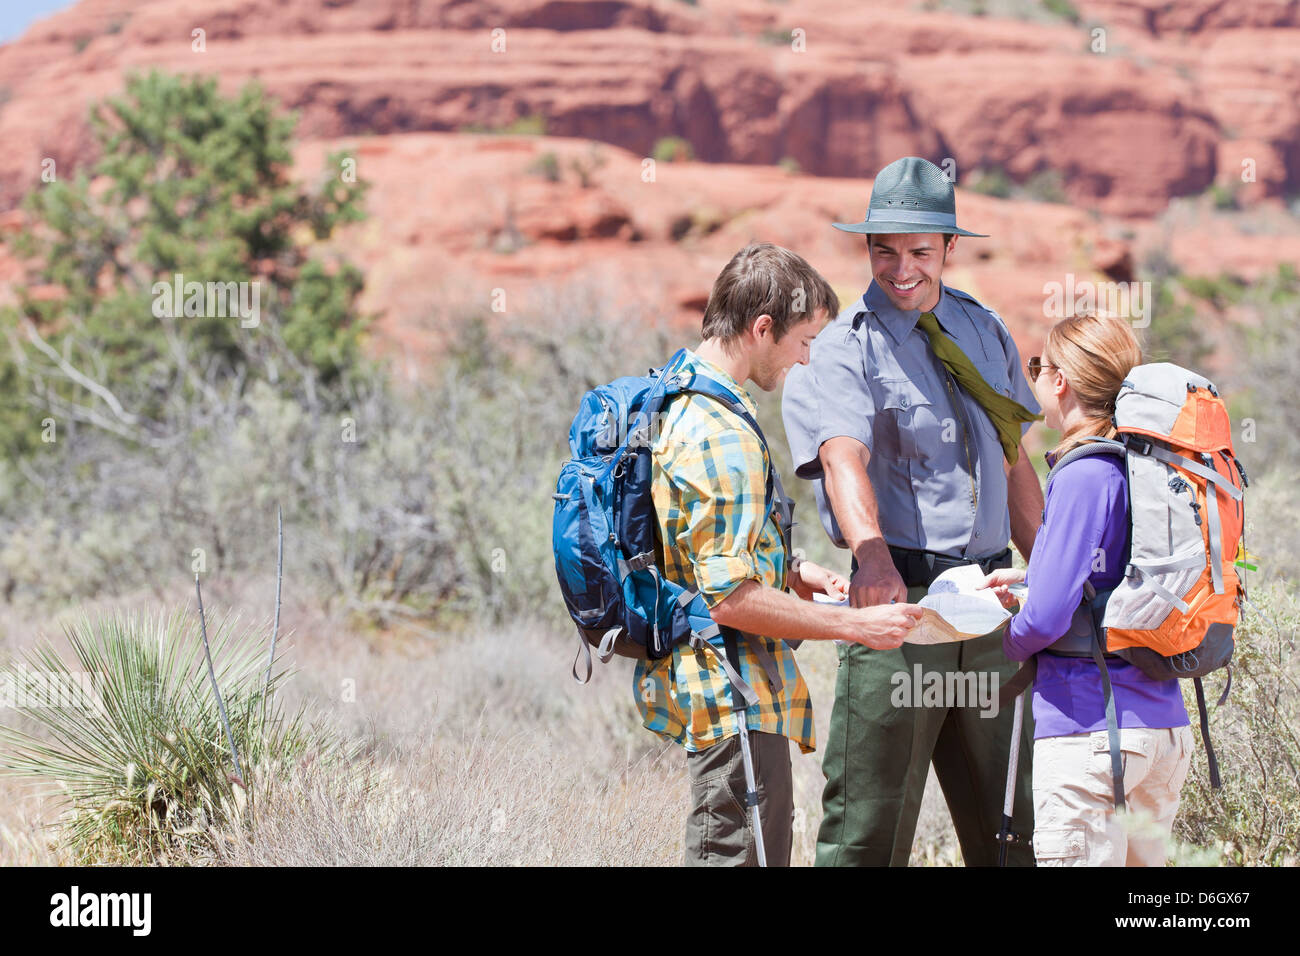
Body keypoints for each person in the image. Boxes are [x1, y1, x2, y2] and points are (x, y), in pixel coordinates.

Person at [781, 156, 1045, 866]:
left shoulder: (985, 332)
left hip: (993, 609)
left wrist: (1051, 572)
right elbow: (842, 454)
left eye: (919, 252)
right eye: (884, 250)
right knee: (866, 831)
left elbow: (1014, 458)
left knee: (1016, 832)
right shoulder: (844, 346)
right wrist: (871, 554)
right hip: (901, 607)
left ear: (949, 250)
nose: (900, 269)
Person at [638, 241, 925, 867]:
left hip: (725, 696)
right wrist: (856, 625)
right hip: (734, 699)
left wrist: (794, 575)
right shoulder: (721, 431)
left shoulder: (681, 400)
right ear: (762, 328)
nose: (806, 358)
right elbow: (728, 597)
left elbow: (694, 550)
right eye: (802, 340)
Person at [980, 313, 1193, 866]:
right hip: (1163, 729)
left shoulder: (1081, 474)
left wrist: (1010, 640)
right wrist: (1034, 575)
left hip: (1090, 732)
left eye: (1038, 367)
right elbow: (1114, 571)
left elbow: (1048, 617)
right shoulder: (1139, 468)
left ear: (1061, 381)